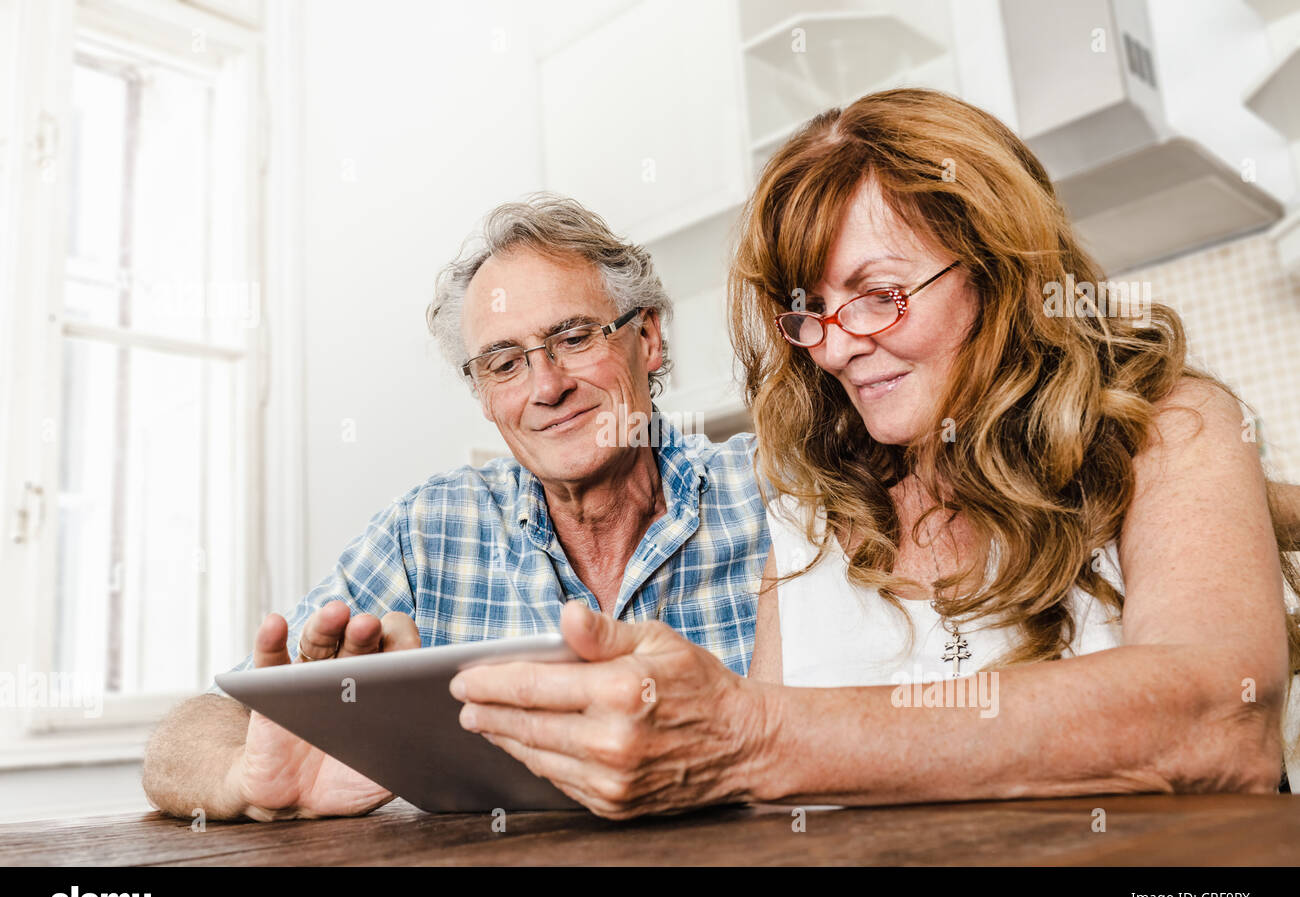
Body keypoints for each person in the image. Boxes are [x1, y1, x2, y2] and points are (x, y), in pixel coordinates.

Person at [449, 89, 1300, 817]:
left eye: (879, 296)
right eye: (811, 309)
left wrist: (755, 734)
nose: (834, 348)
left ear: (999, 269)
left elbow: (1220, 717)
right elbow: (779, 808)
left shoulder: (1173, 428)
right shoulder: (807, 502)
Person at [140, 196, 769, 820]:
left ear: (650, 337)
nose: (546, 387)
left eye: (573, 338)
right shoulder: (429, 530)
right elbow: (196, 730)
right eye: (505, 363)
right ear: (484, 395)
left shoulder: (774, 495)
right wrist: (247, 779)